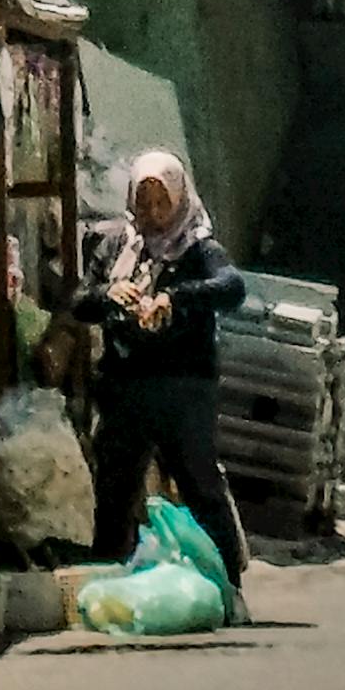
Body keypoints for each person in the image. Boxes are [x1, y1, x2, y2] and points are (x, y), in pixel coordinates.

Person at [86, 147, 245, 611]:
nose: (154, 214)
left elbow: (232, 287)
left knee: (200, 486)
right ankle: (105, 590)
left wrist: (175, 299)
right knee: (115, 491)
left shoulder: (199, 249)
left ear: (180, 201)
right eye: (144, 202)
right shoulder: (116, 247)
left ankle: (229, 588)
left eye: (163, 203)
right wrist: (109, 294)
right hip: (126, 387)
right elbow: (79, 301)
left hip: (184, 388)